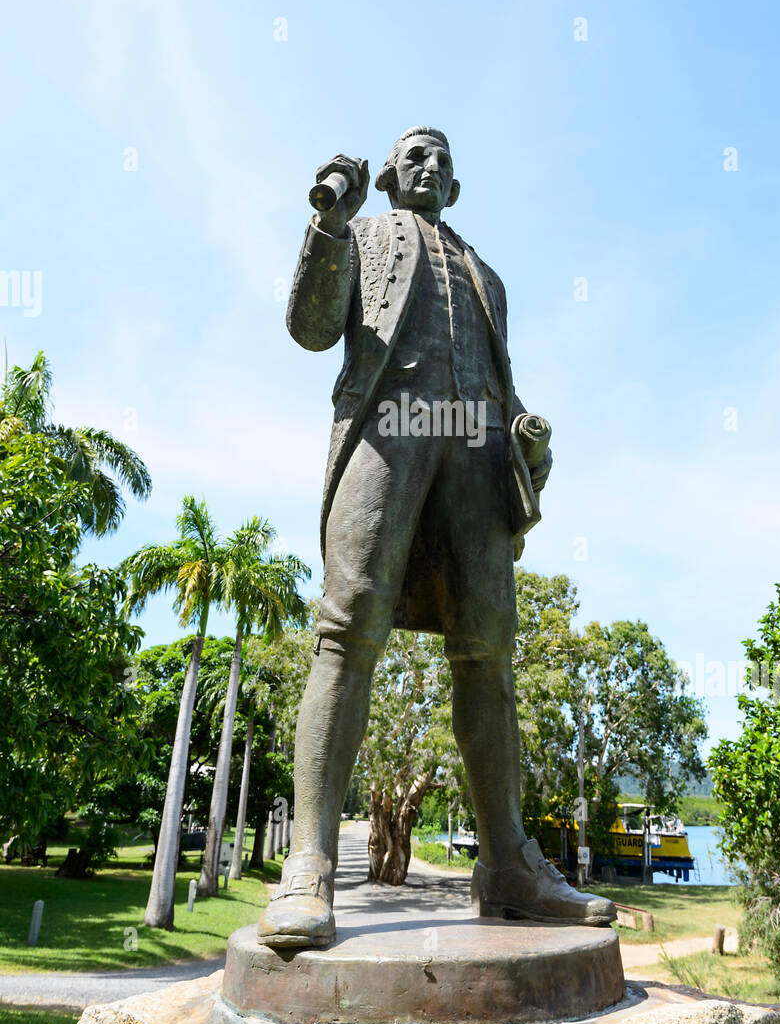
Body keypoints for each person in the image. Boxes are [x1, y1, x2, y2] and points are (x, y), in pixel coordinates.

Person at [257, 126, 615, 947]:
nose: (432, 167)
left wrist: (525, 445)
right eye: (416, 155)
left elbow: (499, 375)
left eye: (444, 161)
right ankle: (307, 865)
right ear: (388, 175)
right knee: (348, 626)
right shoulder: (365, 233)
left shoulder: (486, 274)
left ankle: (507, 867)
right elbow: (312, 329)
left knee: (488, 651)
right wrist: (326, 224)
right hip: (388, 430)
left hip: (475, 452)